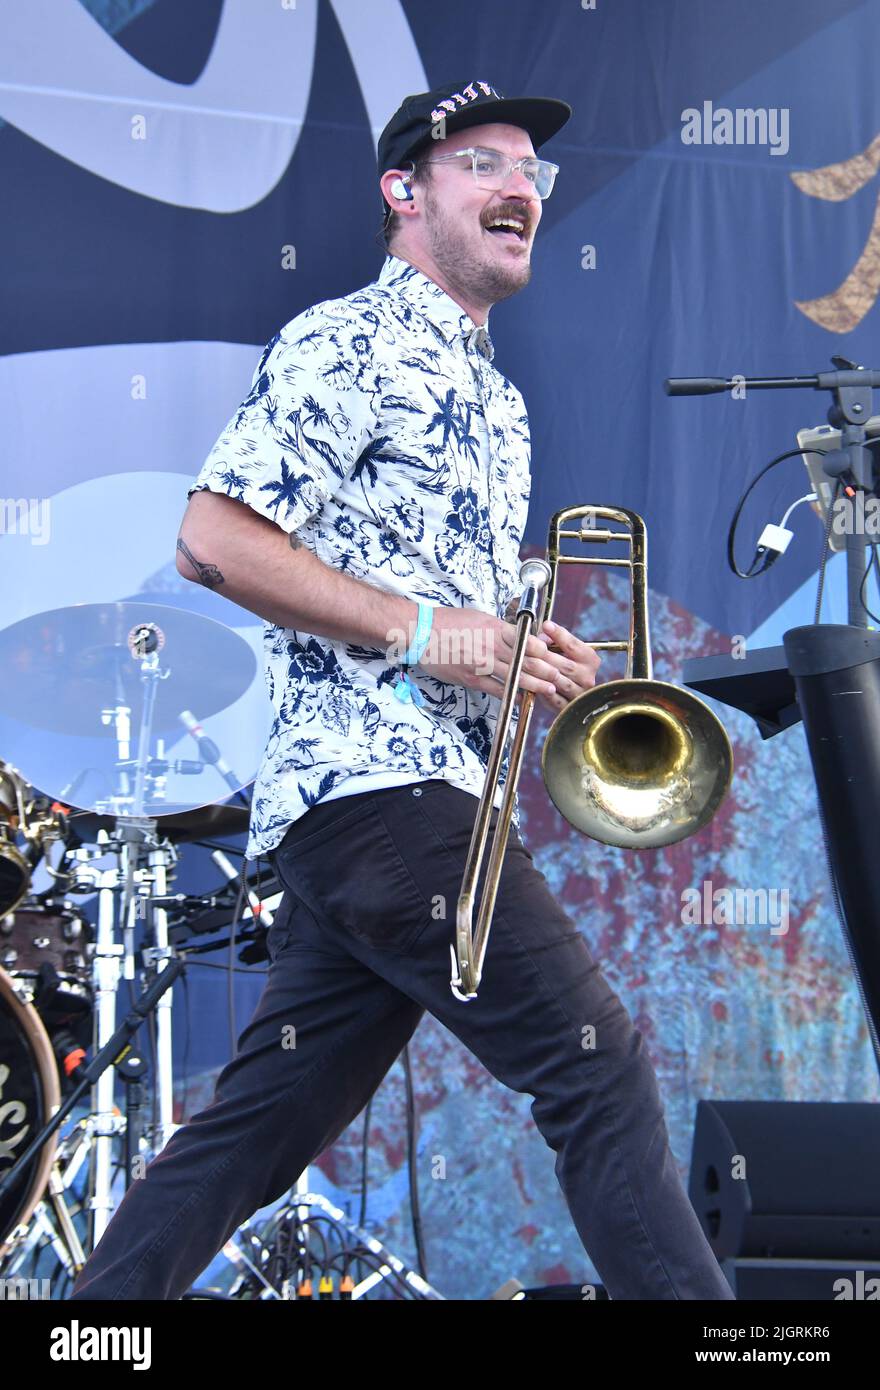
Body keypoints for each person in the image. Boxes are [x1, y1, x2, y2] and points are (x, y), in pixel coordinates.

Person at [70, 80, 734, 1301]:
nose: (519, 188)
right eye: (481, 163)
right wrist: (437, 631)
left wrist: (522, 643)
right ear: (403, 192)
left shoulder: (499, 398)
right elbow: (210, 536)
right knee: (597, 1075)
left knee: (247, 1137)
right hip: (385, 797)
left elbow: (447, 613)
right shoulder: (348, 342)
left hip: (390, 818)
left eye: (532, 171)